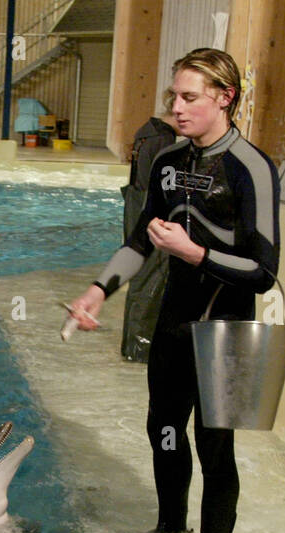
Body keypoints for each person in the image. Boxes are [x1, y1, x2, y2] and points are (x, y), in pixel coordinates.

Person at [66, 48, 281, 533]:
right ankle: (169, 528)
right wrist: (98, 291)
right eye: (174, 97)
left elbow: (263, 271)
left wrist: (195, 254)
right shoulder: (167, 162)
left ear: (225, 97)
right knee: (163, 424)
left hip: (226, 325)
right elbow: (139, 242)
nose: (178, 108)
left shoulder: (250, 167)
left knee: (214, 443)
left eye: (190, 97)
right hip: (174, 319)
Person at [119, 97, 178, 362]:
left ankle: (132, 346)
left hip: (136, 210)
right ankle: (141, 348)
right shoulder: (164, 140)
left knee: (139, 278)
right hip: (149, 216)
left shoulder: (147, 129)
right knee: (152, 278)